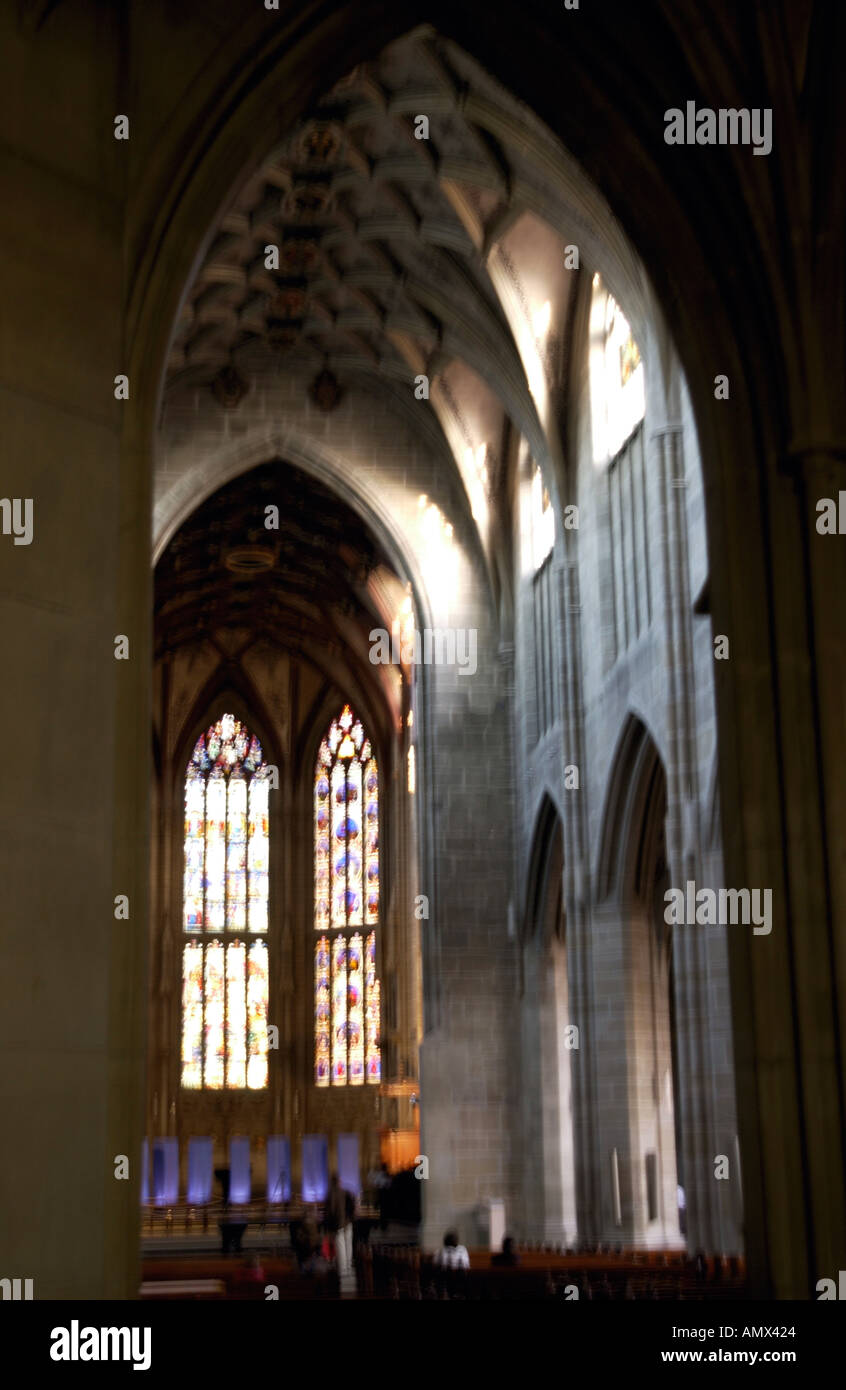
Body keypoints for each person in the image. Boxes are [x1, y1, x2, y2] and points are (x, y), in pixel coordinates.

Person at [325, 1173, 355, 1277]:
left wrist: (329, 1227)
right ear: (340, 1181)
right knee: (349, 1246)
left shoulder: (331, 1193)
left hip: (338, 1224)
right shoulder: (346, 1192)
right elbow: (352, 1207)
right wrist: (351, 1218)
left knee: (341, 1247)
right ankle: (349, 1267)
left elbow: (330, 1211)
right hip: (348, 1223)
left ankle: (343, 1271)